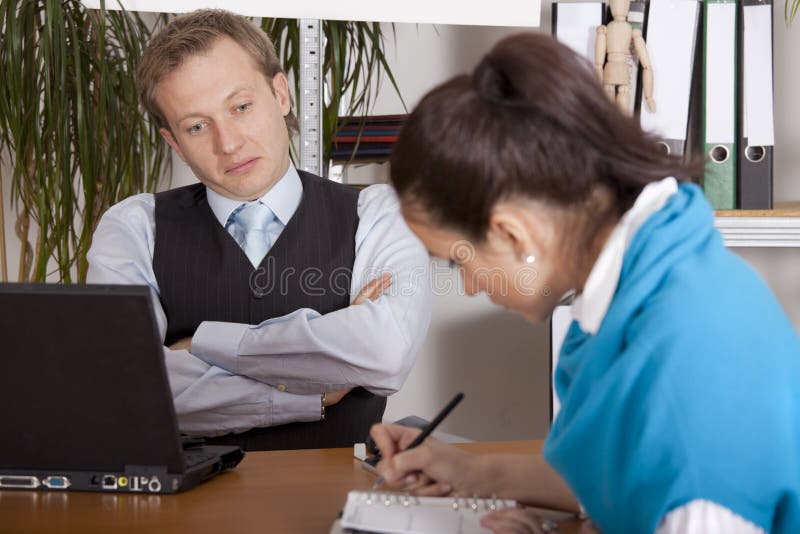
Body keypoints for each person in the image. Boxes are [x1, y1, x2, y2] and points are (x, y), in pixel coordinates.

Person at [370, 32, 800, 533]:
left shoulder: (689, 368)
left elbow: (680, 486)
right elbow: (624, 475)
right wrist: (472, 471)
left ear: (513, 233)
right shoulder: (648, 276)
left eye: (456, 261)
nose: (467, 285)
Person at [86, 9, 431, 451]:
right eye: (196, 126)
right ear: (173, 141)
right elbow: (126, 390)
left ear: (281, 94)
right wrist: (317, 390)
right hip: (184, 515)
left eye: (241, 107)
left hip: (337, 508)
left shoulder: (378, 212)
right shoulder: (133, 227)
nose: (227, 143)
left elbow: (384, 352)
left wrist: (202, 344)